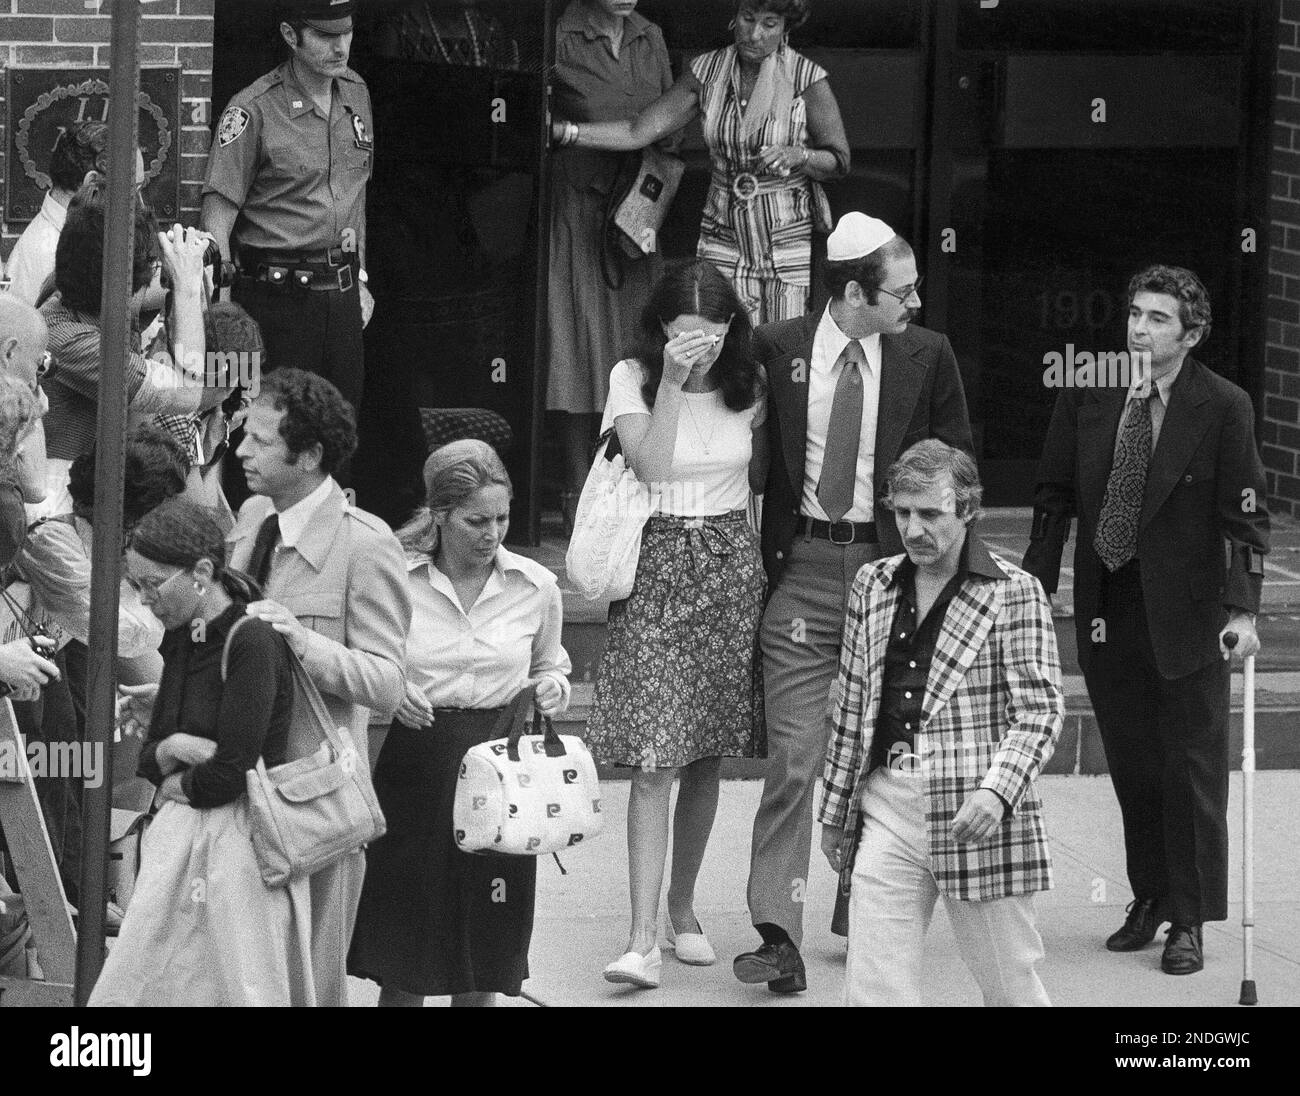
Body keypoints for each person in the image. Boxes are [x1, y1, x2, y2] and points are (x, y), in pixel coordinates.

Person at [734, 212, 972, 994]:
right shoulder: (776, 349)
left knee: (877, 755)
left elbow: (958, 472)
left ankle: (862, 911)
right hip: (801, 569)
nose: (914, 301)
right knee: (796, 759)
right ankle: (778, 932)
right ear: (851, 292)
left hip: (887, 573)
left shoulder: (926, 354)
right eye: (900, 290)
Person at [1023, 265, 1270, 976]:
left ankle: (1189, 919)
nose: (1139, 328)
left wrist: (1245, 608)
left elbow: (1247, 520)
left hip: (1189, 614)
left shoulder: (1222, 406)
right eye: (1135, 314)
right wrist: (1029, 588)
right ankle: (1150, 896)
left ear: (1190, 335)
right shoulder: (1090, 389)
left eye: (1159, 318)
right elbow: (1053, 494)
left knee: (1189, 769)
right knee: (1133, 763)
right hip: (1111, 608)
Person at [818, 440, 1061, 1006]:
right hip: (888, 805)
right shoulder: (872, 585)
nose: (913, 528)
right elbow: (852, 709)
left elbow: (1041, 712)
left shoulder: (1014, 592)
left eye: (930, 513)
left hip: (977, 810)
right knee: (874, 987)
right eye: (902, 513)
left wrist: (998, 793)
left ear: (968, 510)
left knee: (1011, 986)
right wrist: (834, 814)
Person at [585, 260, 767, 989]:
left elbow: (762, 481)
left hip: (729, 561)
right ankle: (639, 939)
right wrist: (667, 380)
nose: (702, 349)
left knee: (706, 753)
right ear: (661, 330)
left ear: (732, 327)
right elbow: (653, 466)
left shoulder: (751, 384)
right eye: (684, 336)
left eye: (713, 334)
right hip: (658, 558)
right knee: (655, 756)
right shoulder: (632, 376)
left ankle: (684, 910)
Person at [348, 440, 571, 1007]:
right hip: (420, 760)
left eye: (501, 518)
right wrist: (394, 692)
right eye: (475, 520)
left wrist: (553, 688)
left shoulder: (534, 586)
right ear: (441, 516)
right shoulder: (397, 577)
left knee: (485, 940)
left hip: (501, 768)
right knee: (407, 939)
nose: (491, 532)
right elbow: (364, 661)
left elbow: (553, 664)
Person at [225, 367, 410, 1005]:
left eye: (260, 442)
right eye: (244, 436)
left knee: (310, 987)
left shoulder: (367, 546)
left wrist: (306, 645)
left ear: (307, 457)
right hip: (234, 792)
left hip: (313, 809)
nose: (242, 451)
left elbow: (389, 683)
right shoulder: (250, 519)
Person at [89, 498, 311, 1006]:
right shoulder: (183, 635)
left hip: (238, 845)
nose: (145, 599)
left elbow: (230, 772)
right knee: (150, 983)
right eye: (137, 585)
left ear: (202, 573)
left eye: (152, 584)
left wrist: (174, 773)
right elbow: (150, 756)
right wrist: (176, 747)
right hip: (182, 841)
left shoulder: (251, 639)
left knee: (234, 985)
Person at [553, 0, 849, 327]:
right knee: (716, 341)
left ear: (785, 28)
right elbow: (639, 130)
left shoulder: (806, 78)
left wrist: (799, 155)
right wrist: (566, 132)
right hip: (722, 229)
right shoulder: (706, 72)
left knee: (782, 343)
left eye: (769, 24)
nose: (754, 34)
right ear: (733, 18)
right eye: (747, 19)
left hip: (783, 232)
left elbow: (838, 161)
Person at [202, 0, 374, 411]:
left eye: (347, 32)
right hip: (272, 301)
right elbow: (216, 221)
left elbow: (355, 195)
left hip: (342, 295)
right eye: (326, 36)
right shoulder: (252, 108)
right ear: (289, 35)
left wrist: (361, 278)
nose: (341, 47)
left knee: (338, 429)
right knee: (260, 428)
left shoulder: (356, 91)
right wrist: (224, 317)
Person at [547, 0, 676, 527]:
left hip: (637, 210)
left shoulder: (651, 37)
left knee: (637, 342)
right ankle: (579, 487)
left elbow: (669, 132)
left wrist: (648, 202)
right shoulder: (559, 34)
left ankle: (631, 480)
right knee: (577, 346)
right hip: (578, 206)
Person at [41, 185, 229, 517]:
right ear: (123, 278)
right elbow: (189, 391)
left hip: (95, 486)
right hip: (60, 504)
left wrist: (187, 258)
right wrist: (186, 286)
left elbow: (157, 288)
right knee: (197, 512)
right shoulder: (69, 339)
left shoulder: (85, 284)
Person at [4, 121, 148, 307]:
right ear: (92, 183)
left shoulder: (64, 240)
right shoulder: (52, 255)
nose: (140, 204)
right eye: (133, 190)